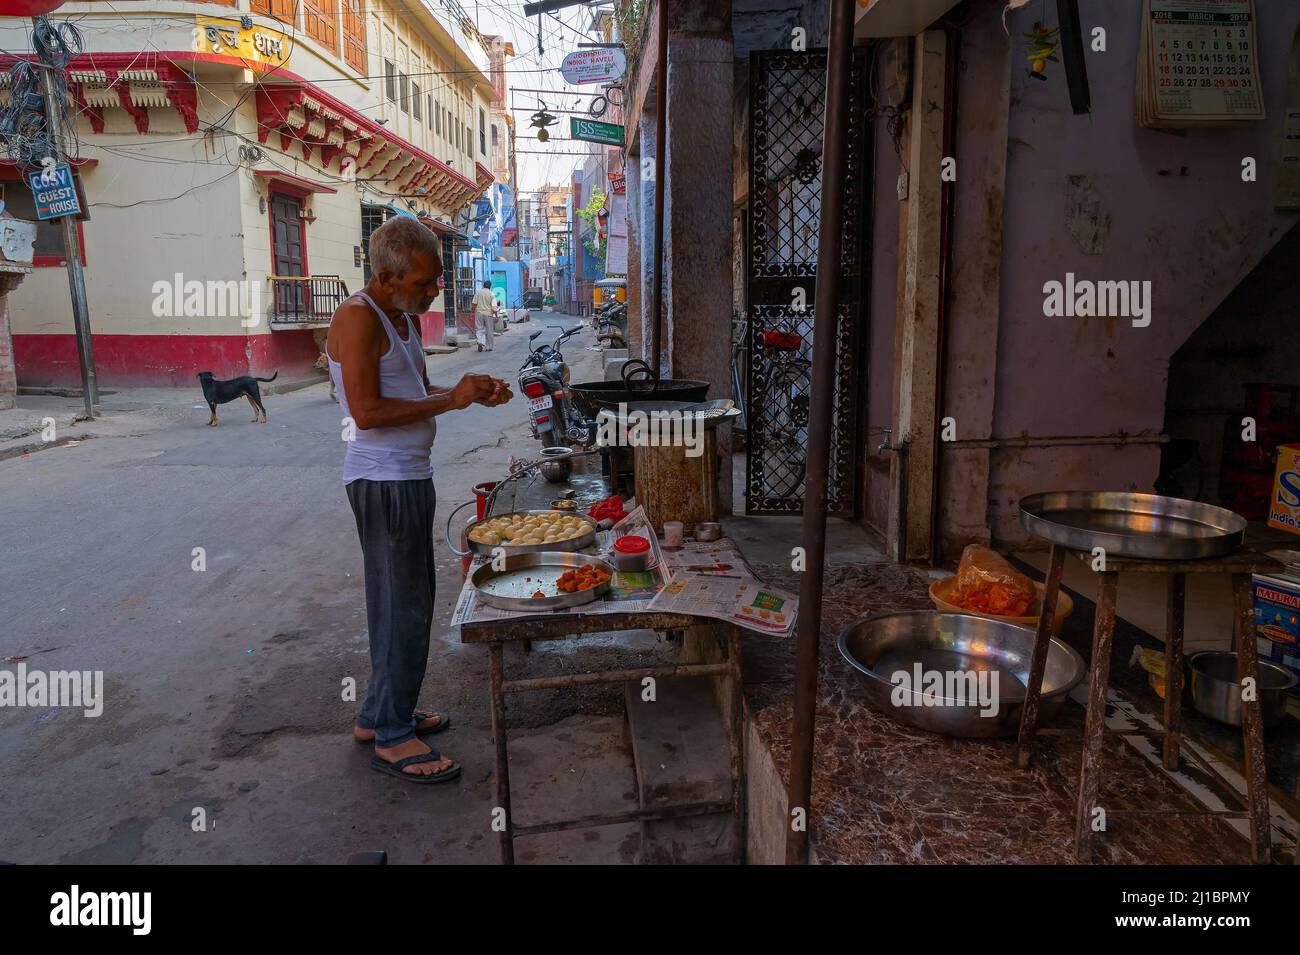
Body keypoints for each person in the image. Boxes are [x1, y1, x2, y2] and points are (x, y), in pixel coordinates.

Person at [326, 217, 512, 784]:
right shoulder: (357, 318)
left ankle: (382, 713)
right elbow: (367, 412)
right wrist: (450, 403)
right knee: (401, 606)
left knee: (409, 599)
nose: (436, 291)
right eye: (426, 282)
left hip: (409, 476)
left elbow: (411, 393)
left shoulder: (400, 318)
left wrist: (464, 396)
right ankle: (392, 735)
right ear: (387, 277)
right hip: (382, 481)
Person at [473, 280, 497, 352]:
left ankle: (480, 341)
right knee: (489, 331)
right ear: (490, 286)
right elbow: (494, 307)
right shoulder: (492, 294)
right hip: (488, 314)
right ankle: (488, 347)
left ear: (483, 285)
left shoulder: (478, 292)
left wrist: (472, 311)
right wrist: (496, 316)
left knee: (479, 328)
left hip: (479, 313)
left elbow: (474, 303)